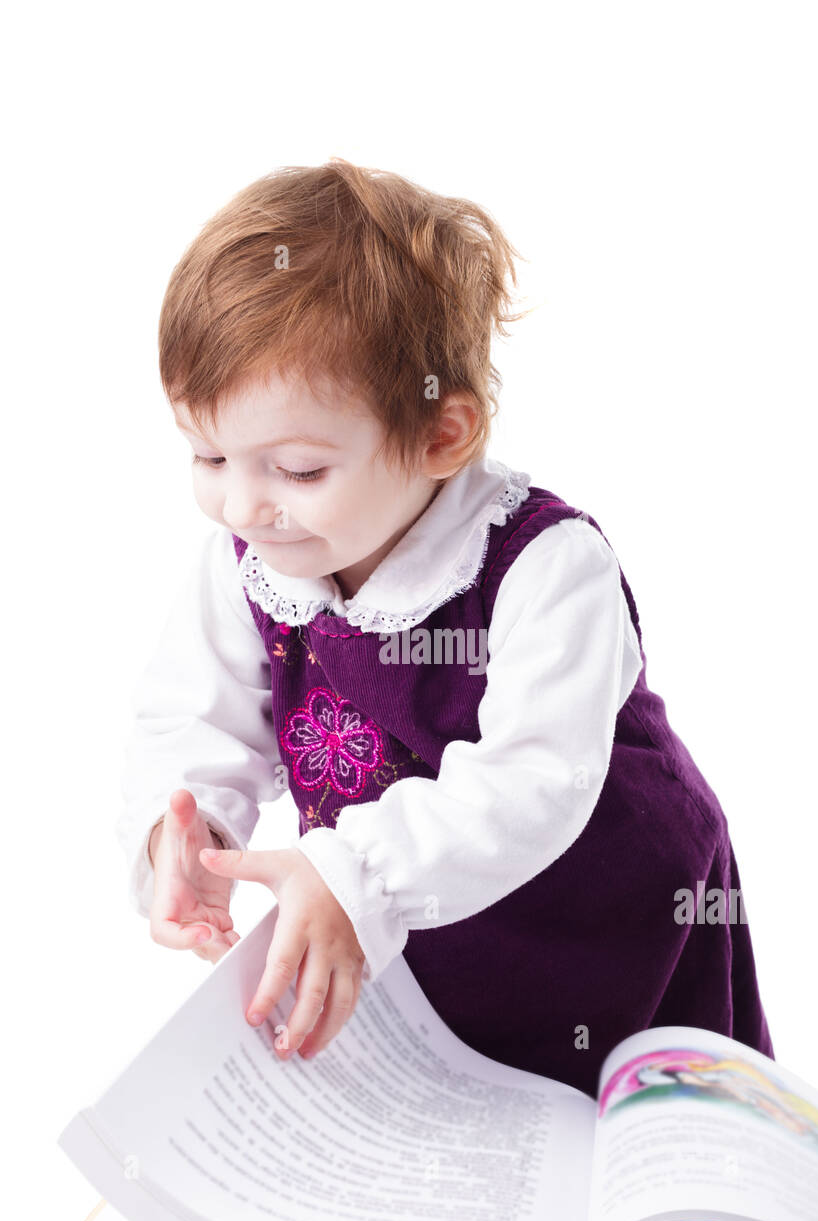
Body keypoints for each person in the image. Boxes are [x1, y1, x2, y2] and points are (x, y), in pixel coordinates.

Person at [117, 157, 773, 1099]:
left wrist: (360, 871)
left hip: (614, 914)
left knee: (645, 1129)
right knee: (469, 1120)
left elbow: (536, 778)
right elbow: (194, 714)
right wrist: (180, 833)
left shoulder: (546, 565)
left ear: (442, 436)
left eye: (298, 469)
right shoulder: (253, 561)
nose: (244, 504)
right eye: (209, 454)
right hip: (428, 931)